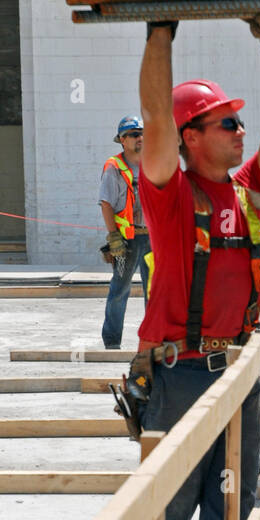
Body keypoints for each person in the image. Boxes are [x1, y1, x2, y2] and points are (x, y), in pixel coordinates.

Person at [122, 15, 260, 520]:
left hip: (237, 371)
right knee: (174, 498)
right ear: (190, 138)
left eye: (237, 122)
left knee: (232, 495)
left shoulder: (250, 194)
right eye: (226, 123)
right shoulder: (170, 195)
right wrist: (160, 33)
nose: (240, 132)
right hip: (178, 372)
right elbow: (154, 116)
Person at [99, 116, 152, 349]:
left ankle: (154, 340)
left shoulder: (154, 163)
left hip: (153, 238)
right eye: (133, 134)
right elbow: (106, 203)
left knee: (155, 290)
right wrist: (113, 237)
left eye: (142, 133)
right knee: (120, 289)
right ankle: (111, 342)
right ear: (122, 140)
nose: (140, 138)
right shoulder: (114, 167)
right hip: (126, 240)